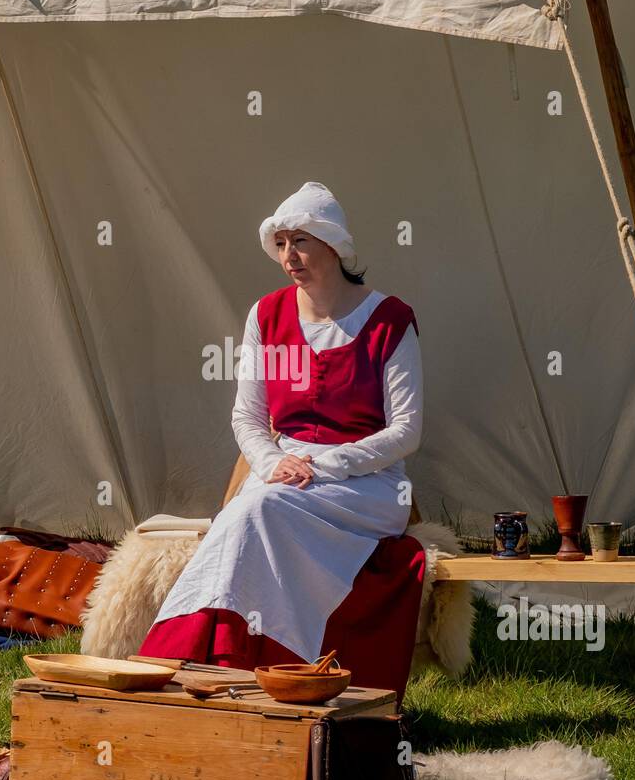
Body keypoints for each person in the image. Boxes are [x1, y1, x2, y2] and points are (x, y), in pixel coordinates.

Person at [138, 181, 427, 701]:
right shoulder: (266, 316)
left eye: (301, 242)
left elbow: (406, 430)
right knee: (247, 516)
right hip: (285, 475)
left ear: (333, 246)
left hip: (368, 485)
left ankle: (246, 665)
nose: (288, 256)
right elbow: (247, 416)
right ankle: (202, 668)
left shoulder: (390, 321)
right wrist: (274, 462)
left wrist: (329, 464)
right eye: (281, 244)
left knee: (260, 512)